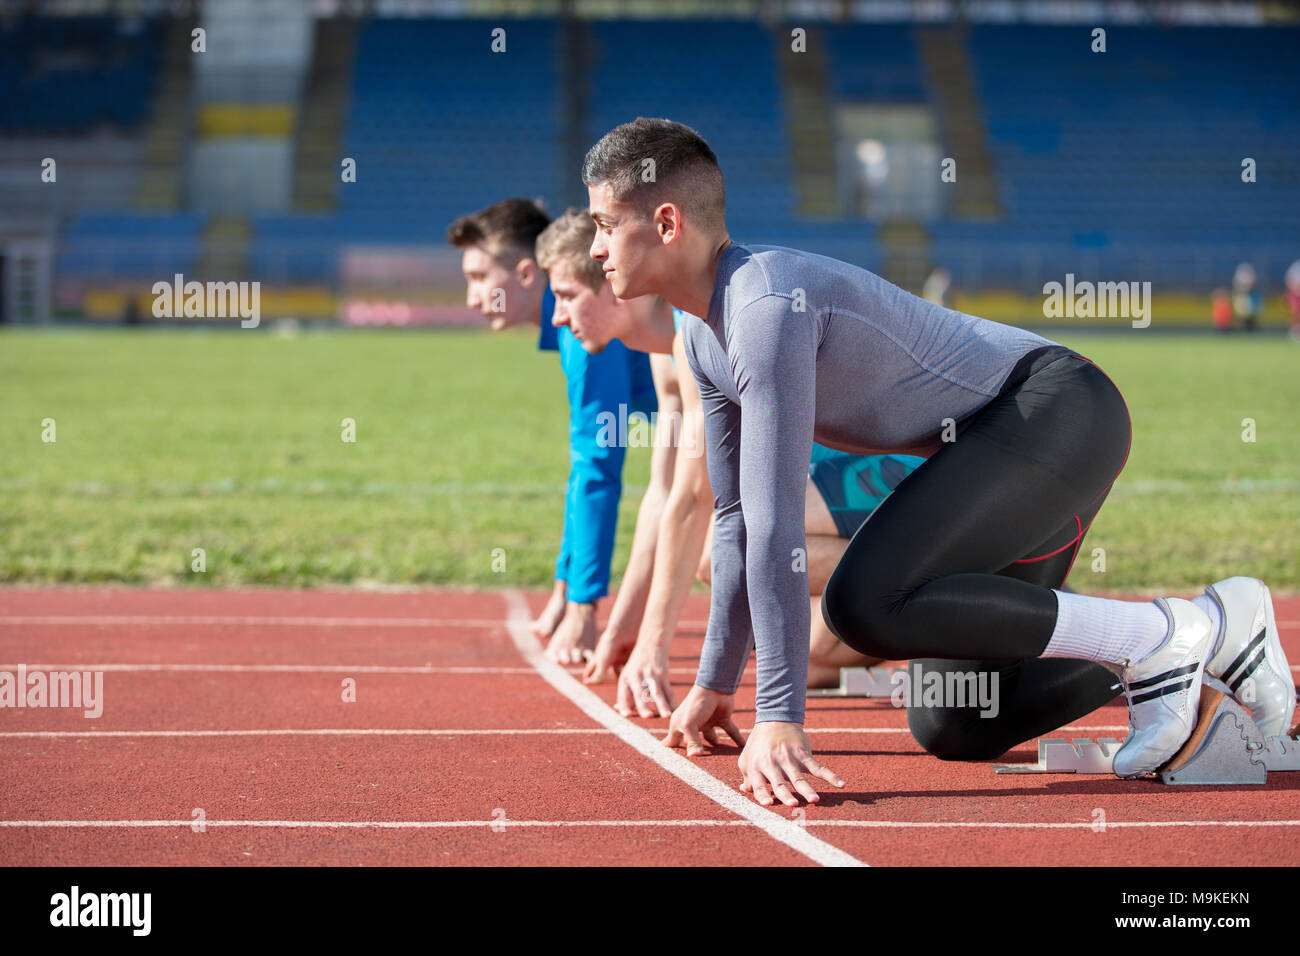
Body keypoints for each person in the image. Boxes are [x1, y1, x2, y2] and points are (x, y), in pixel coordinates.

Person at [581, 117, 1295, 807]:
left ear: (668, 223)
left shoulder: (764, 306)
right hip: (998, 446)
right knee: (959, 717)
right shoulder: (702, 336)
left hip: (1056, 413)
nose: (596, 248)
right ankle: (1199, 644)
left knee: (862, 600)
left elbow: (775, 531)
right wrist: (715, 681)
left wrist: (779, 715)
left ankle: (1164, 637)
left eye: (606, 224)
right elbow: (735, 518)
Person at [537, 209, 922, 716]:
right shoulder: (663, 353)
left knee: (724, 551)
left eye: (565, 297)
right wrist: (622, 629)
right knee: (805, 652)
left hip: (886, 468)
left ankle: (939, 581)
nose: (557, 318)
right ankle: (920, 621)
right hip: (825, 487)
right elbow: (661, 496)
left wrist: (654, 646)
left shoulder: (692, 330)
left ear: (612, 287)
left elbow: (695, 500)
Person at [446, 198, 657, 664]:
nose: (471, 298)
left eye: (479, 278)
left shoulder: (586, 327)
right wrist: (564, 589)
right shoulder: (573, 321)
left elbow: (598, 466)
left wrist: (583, 610)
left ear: (525, 274)